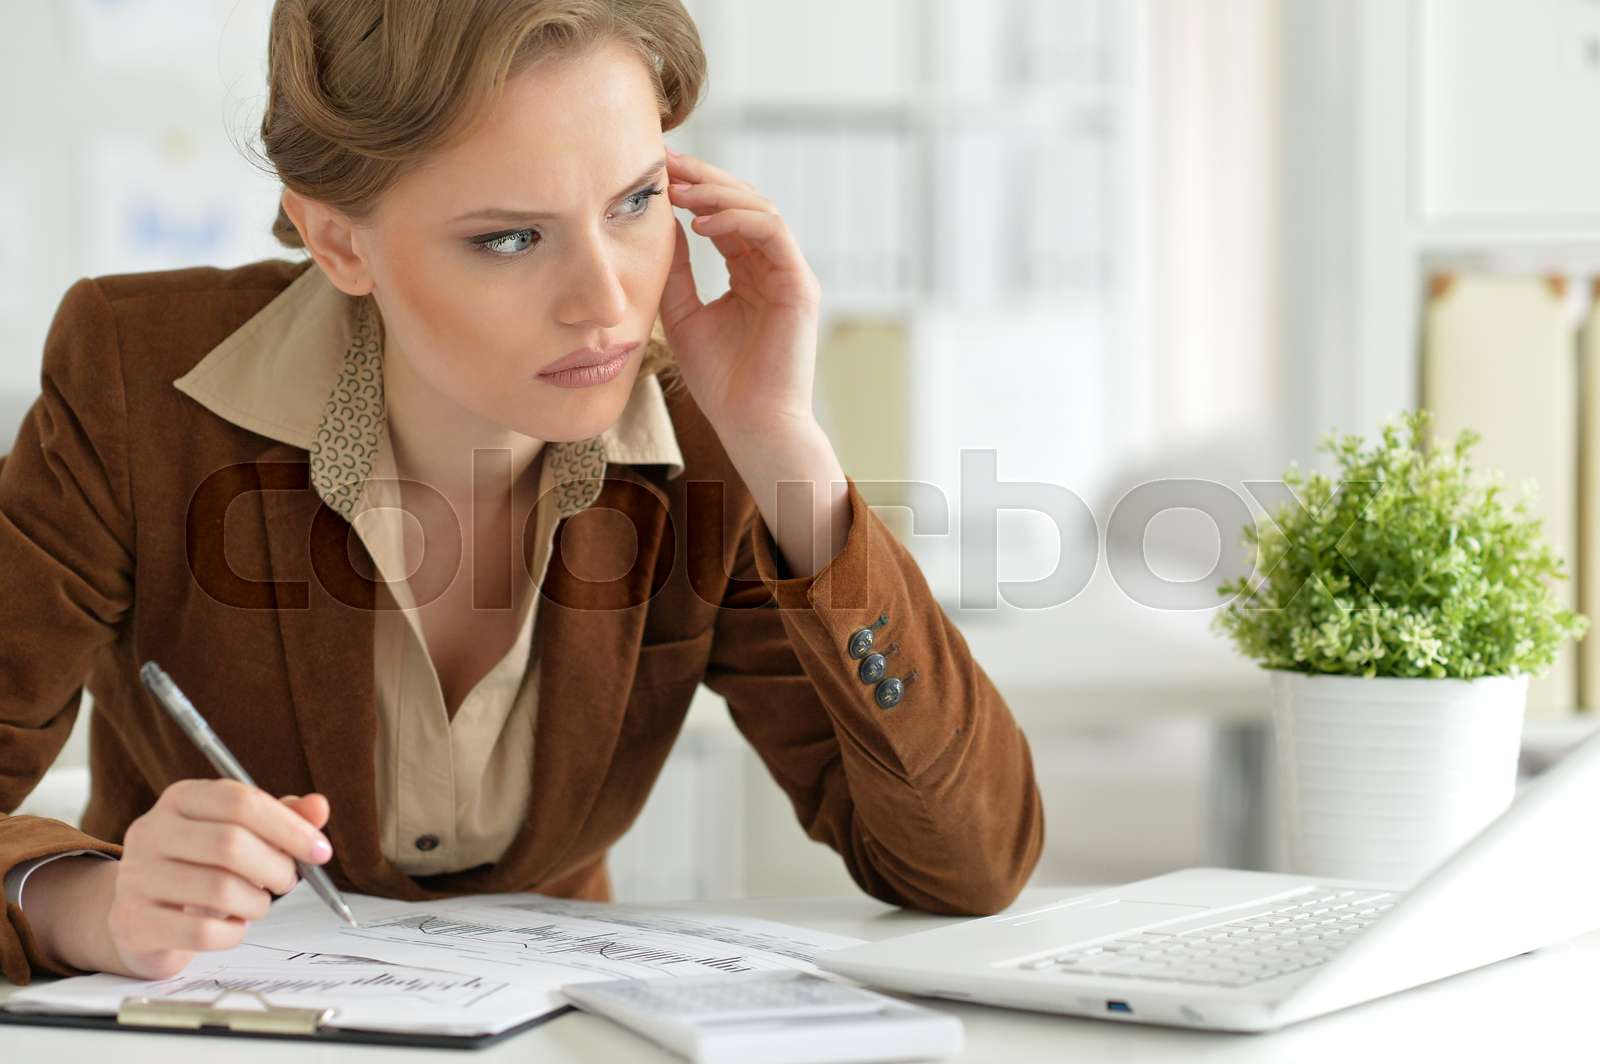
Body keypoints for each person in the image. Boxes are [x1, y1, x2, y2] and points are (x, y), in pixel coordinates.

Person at [0, 0, 1043, 985]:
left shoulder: (711, 432)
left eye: (634, 202)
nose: (606, 302)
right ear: (336, 240)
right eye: (509, 237)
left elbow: (968, 864)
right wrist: (80, 901)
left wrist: (786, 449)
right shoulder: (136, 381)